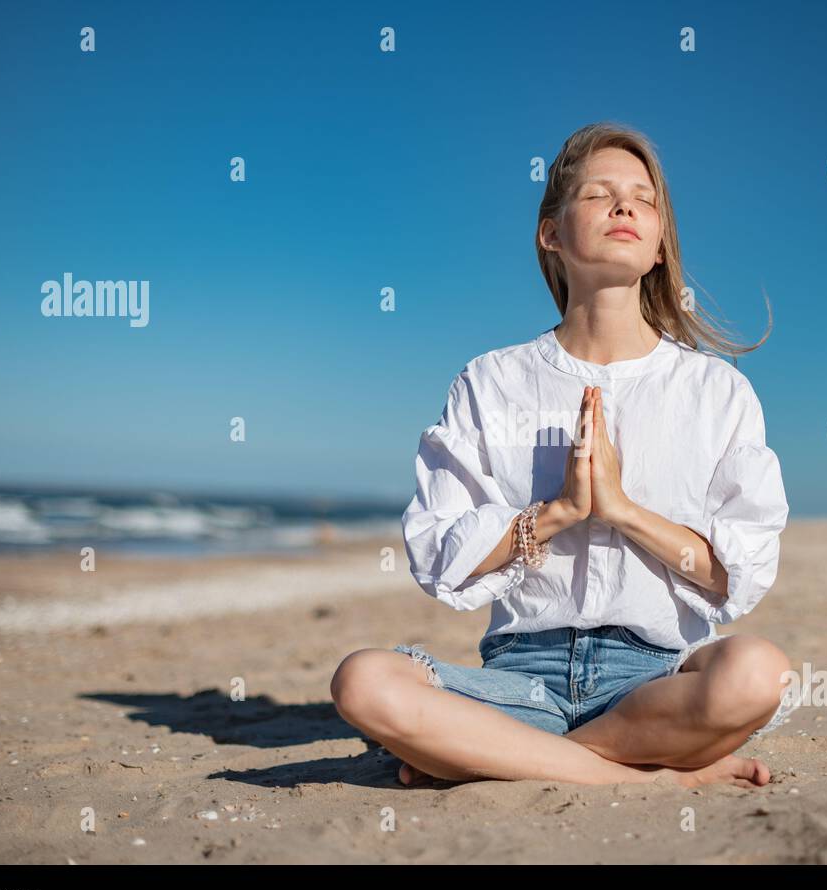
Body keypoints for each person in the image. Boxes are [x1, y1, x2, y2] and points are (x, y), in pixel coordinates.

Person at [332, 122, 799, 789]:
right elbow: (438, 554)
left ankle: (509, 758)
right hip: (517, 683)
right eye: (600, 194)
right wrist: (555, 515)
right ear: (551, 234)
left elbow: (738, 574)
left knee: (759, 673)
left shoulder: (715, 390)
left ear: (661, 242)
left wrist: (622, 511)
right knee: (363, 682)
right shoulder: (491, 381)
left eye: (643, 198)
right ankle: (648, 777)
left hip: (651, 686)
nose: (624, 207)